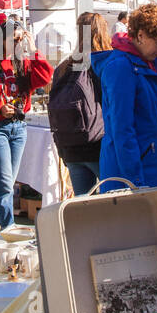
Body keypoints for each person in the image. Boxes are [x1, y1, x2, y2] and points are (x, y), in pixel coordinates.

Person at [0, 21, 52, 227]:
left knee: (8, 181)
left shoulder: (23, 63)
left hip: (19, 128)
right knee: (5, 183)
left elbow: (46, 77)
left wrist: (34, 51)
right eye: (14, 39)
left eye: (21, 38)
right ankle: (8, 227)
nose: (18, 42)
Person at [92, 4, 157, 191]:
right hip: (132, 176)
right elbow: (122, 129)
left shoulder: (149, 63)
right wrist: (136, 183)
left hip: (152, 170)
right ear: (140, 35)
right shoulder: (121, 67)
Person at [49, 11, 112, 196]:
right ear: (103, 31)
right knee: (114, 200)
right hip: (98, 145)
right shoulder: (106, 63)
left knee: (83, 203)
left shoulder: (64, 67)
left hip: (71, 146)